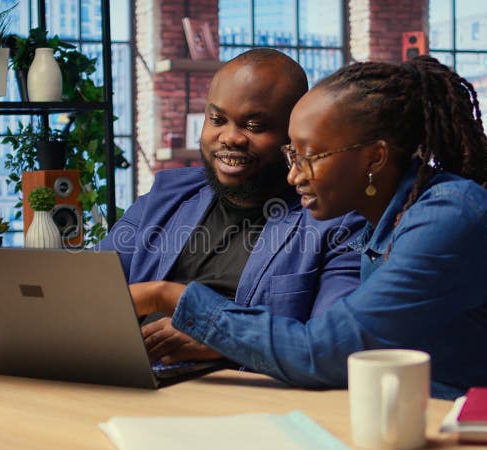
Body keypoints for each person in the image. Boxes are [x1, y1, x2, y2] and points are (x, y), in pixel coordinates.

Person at [130, 56, 487, 418]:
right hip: (447, 418)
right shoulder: (378, 219)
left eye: (310, 156)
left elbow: (325, 351)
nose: (294, 175)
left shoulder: (447, 219)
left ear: (375, 159)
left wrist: (169, 294)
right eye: (291, 156)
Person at [97, 48, 365, 363]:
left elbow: (329, 344)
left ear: (294, 134)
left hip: (243, 390)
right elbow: (93, 286)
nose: (230, 138)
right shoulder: (168, 195)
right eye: (217, 120)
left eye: (253, 125)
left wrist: (222, 340)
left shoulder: (335, 221)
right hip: (140, 373)